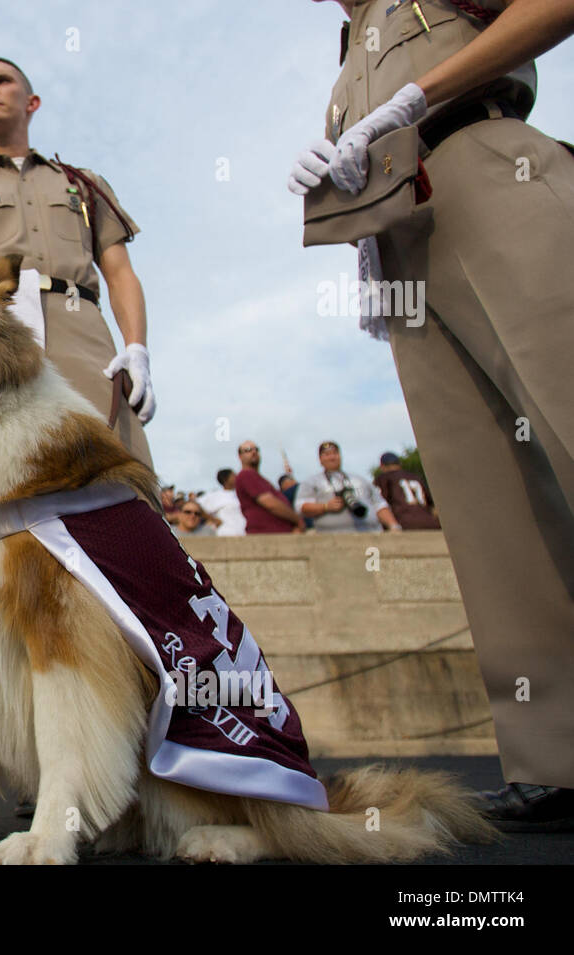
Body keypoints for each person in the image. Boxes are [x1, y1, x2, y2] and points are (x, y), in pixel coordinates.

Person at [289, 0, 574, 826]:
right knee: (492, 507)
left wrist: (419, 94)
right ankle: (554, 753)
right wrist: (336, 171)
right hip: (402, 240)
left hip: (489, 166)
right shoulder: (344, 70)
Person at [0, 57, 155, 466]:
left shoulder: (82, 183)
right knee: (3, 474)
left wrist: (137, 347)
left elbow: (120, 272)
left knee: (118, 463)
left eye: (2, 81)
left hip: (80, 327)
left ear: (32, 101)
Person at [294, 441, 399, 533]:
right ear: (320, 459)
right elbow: (301, 507)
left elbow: (379, 505)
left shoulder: (360, 479)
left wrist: (393, 526)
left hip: (371, 534)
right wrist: (325, 507)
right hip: (334, 538)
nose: (332, 457)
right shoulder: (311, 482)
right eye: (327, 454)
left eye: (335, 453)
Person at [235, 441, 306, 534]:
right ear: (240, 456)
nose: (253, 452)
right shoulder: (246, 474)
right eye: (248, 450)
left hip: (278, 533)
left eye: (256, 449)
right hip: (266, 534)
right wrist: (298, 520)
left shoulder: (259, 478)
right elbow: (270, 503)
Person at [373, 451, 441, 530]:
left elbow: (379, 504)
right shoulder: (416, 477)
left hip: (405, 523)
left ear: (382, 466)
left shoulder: (383, 478)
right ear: (399, 464)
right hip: (431, 523)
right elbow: (433, 505)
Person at [197, 468, 247, 537]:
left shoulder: (241, 494)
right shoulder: (216, 495)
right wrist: (213, 520)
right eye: (234, 476)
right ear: (226, 479)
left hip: (244, 535)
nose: (237, 477)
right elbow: (195, 505)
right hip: (226, 535)